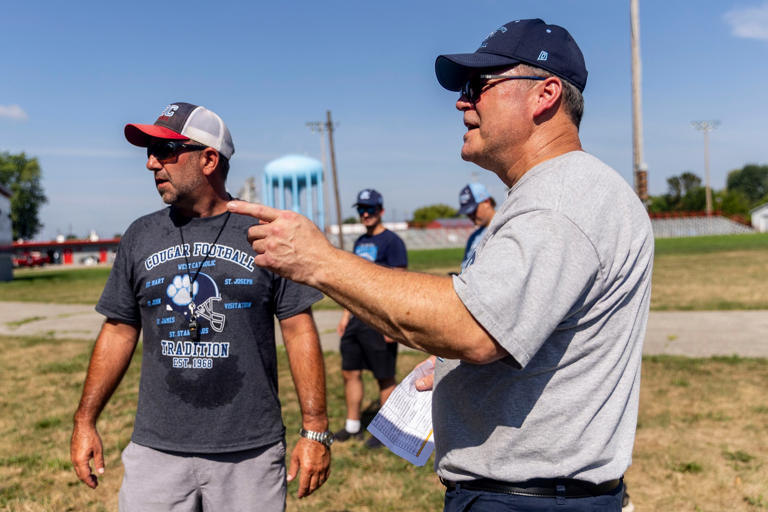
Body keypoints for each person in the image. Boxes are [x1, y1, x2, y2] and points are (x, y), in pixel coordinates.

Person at [228, 17, 653, 512]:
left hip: (528, 500)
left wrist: (319, 261)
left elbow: (473, 329)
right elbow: (510, 328)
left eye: (479, 85)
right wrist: (449, 362)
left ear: (546, 94)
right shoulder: (556, 194)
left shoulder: (561, 199)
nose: (461, 101)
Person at [70, 102, 332, 511]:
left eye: (166, 151)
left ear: (209, 158)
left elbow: (298, 329)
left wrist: (315, 429)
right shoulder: (141, 235)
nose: (152, 164)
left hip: (250, 451)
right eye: (148, 152)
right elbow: (119, 329)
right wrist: (84, 421)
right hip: (156, 451)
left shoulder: (265, 233)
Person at [334, 189, 407, 449]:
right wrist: (345, 316)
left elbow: (400, 286)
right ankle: (353, 426)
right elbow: (353, 283)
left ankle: (386, 431)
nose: (365, 214)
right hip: (356, 318)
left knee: (384, 375)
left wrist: (391, 324)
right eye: (361, 209)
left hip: (379, 320)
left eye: (370, 209)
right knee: (349, 372)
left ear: (381, 211)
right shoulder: (359, 243)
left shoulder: (392, 242)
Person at [457, 183, 496, 272]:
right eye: (467, 213)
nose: (470, 216)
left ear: (486, 202)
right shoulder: (473, 237)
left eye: (473, 210)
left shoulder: (504, 229)